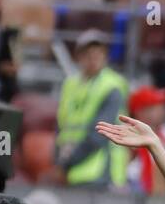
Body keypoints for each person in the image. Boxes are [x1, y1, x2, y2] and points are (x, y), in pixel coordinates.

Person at [56, 30, 130, 186]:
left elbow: (100, 133)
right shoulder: (70, 84)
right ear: (79, 57)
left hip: (101, 168)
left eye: (99, 53)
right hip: (73, 166)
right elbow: (61, 123)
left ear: (105, 56)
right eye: (88, 53)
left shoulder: (112, 85)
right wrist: (59, 157)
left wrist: (67, 160)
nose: (94, 58)